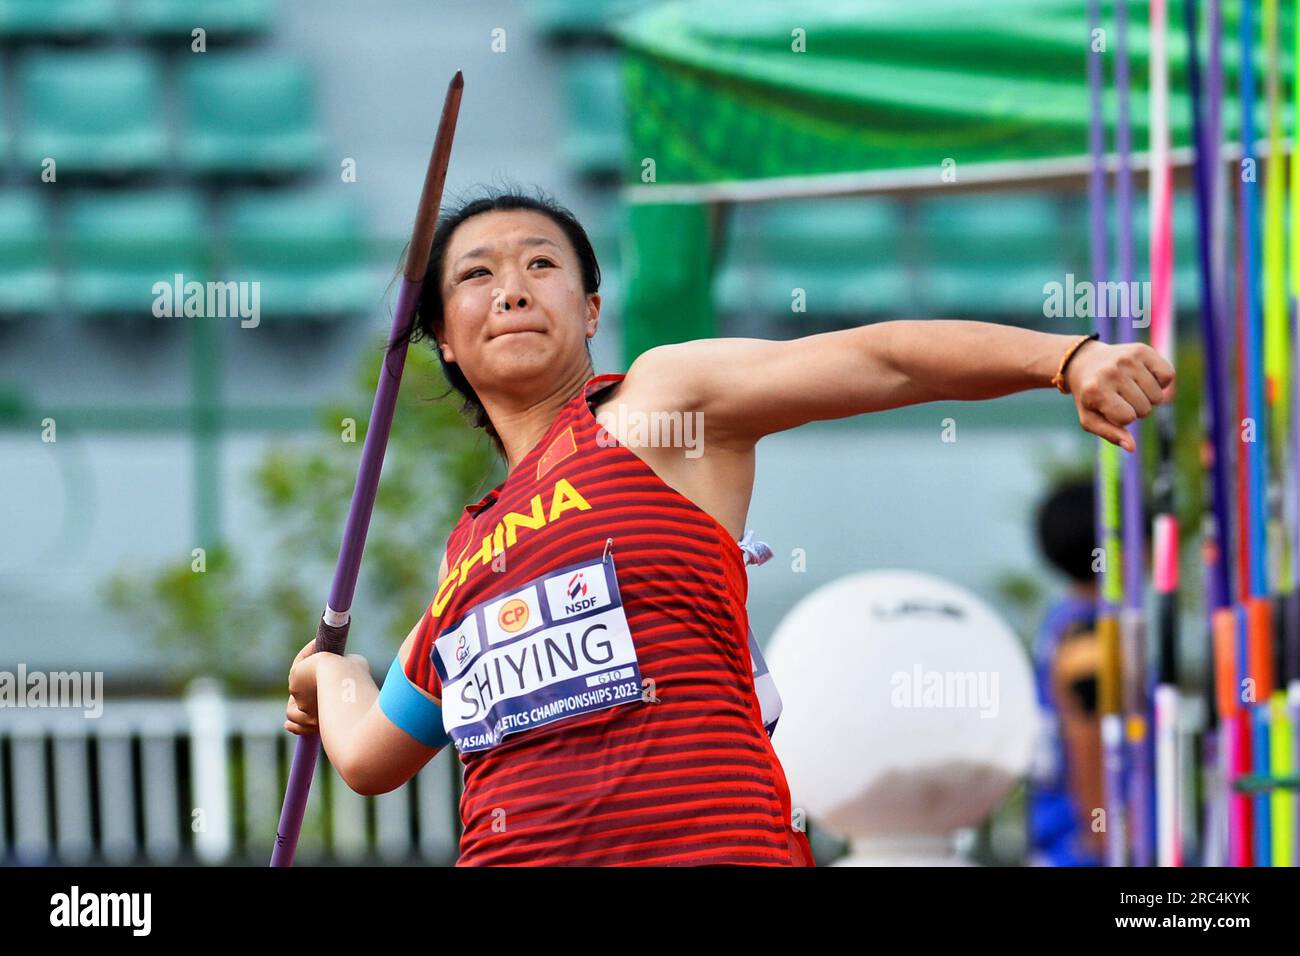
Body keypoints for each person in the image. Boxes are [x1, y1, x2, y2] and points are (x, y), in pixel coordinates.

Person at [284, 188, 1176, 866]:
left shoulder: (655, 407)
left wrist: (1067, 359)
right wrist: (329, 673)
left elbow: (882, 359)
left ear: (592, 311)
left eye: (541, 265)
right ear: (443, 336)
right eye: (476, 274)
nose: (512, 288)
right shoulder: (467, 556)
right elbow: (369, 754)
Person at [1027, 477, 1104, 866]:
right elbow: (1085, 734)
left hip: (1059, 840)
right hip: (1077, 848)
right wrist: (1100, 835)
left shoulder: (1062, 621)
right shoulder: (1088, 634)